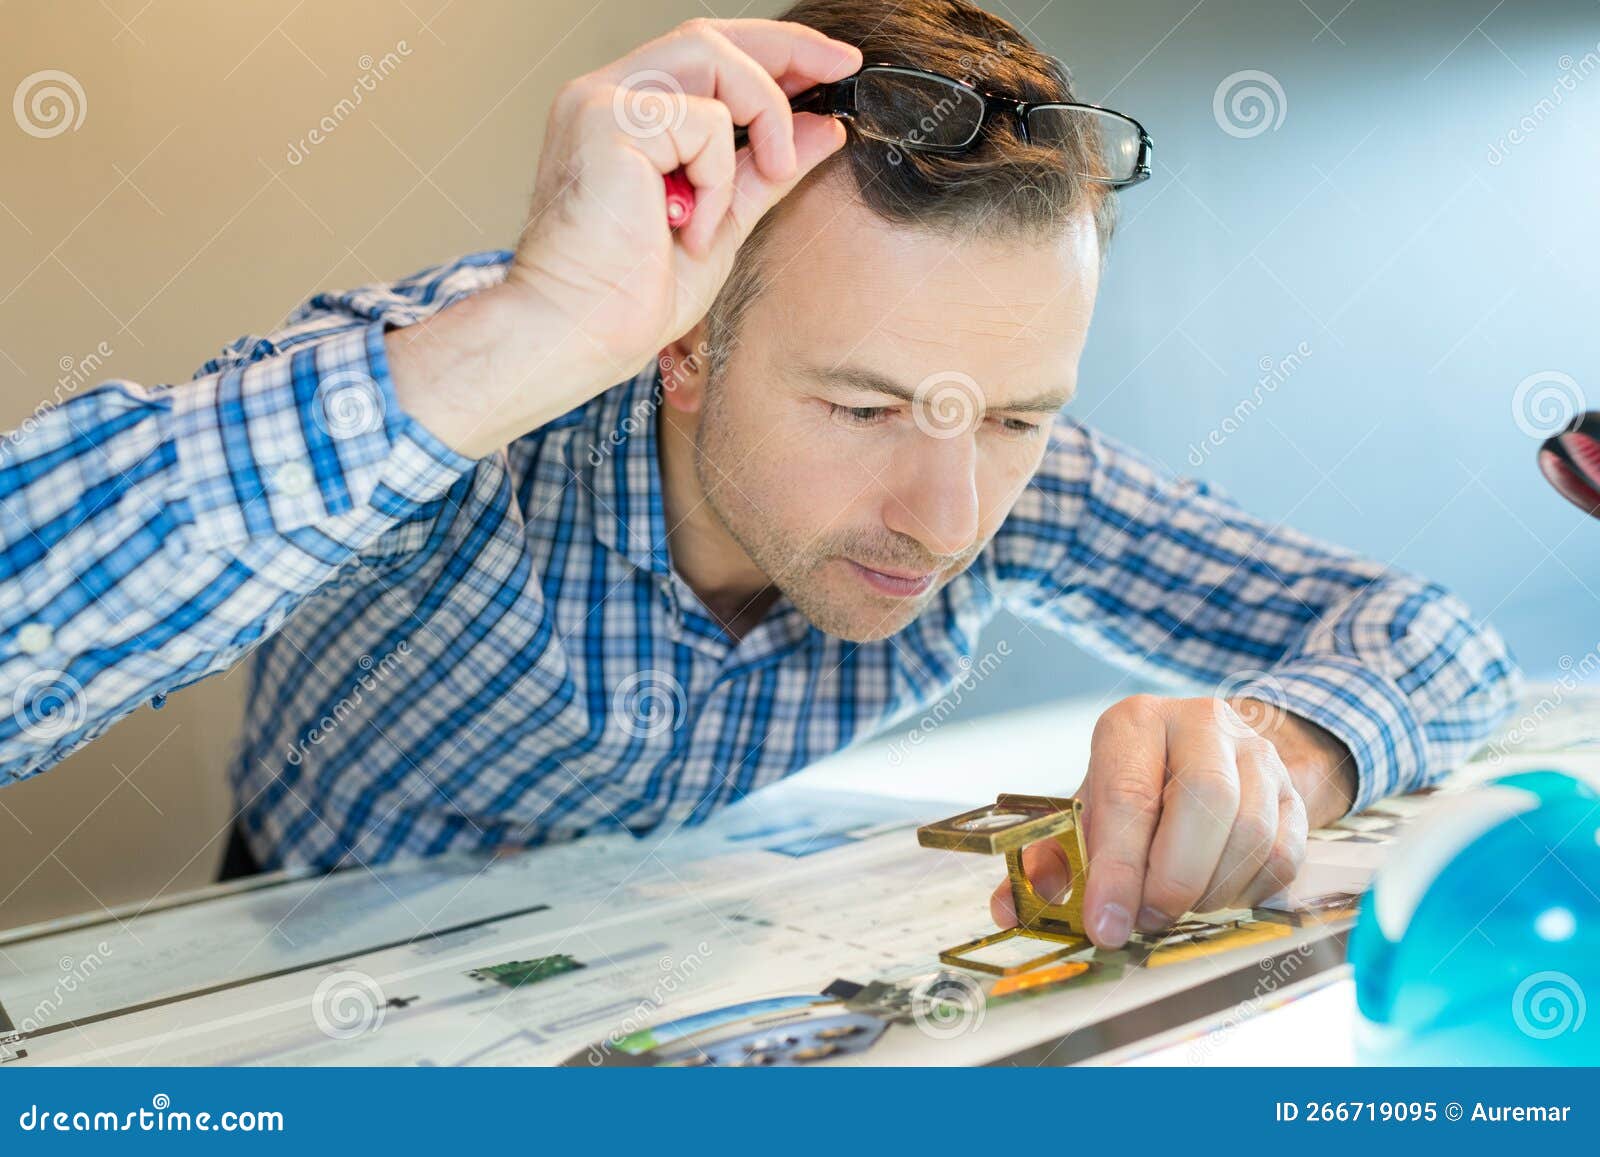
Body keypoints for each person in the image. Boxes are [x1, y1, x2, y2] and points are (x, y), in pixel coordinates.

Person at [0, 0, 1517, 949]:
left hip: (682, 946)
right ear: (682, 346)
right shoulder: (478, 382)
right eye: (861, 409)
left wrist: (1287, 746)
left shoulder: (1000, 474)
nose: (947, 521)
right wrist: (530, 337)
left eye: (1012, 416)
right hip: (304, 948)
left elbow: (1432, 637)